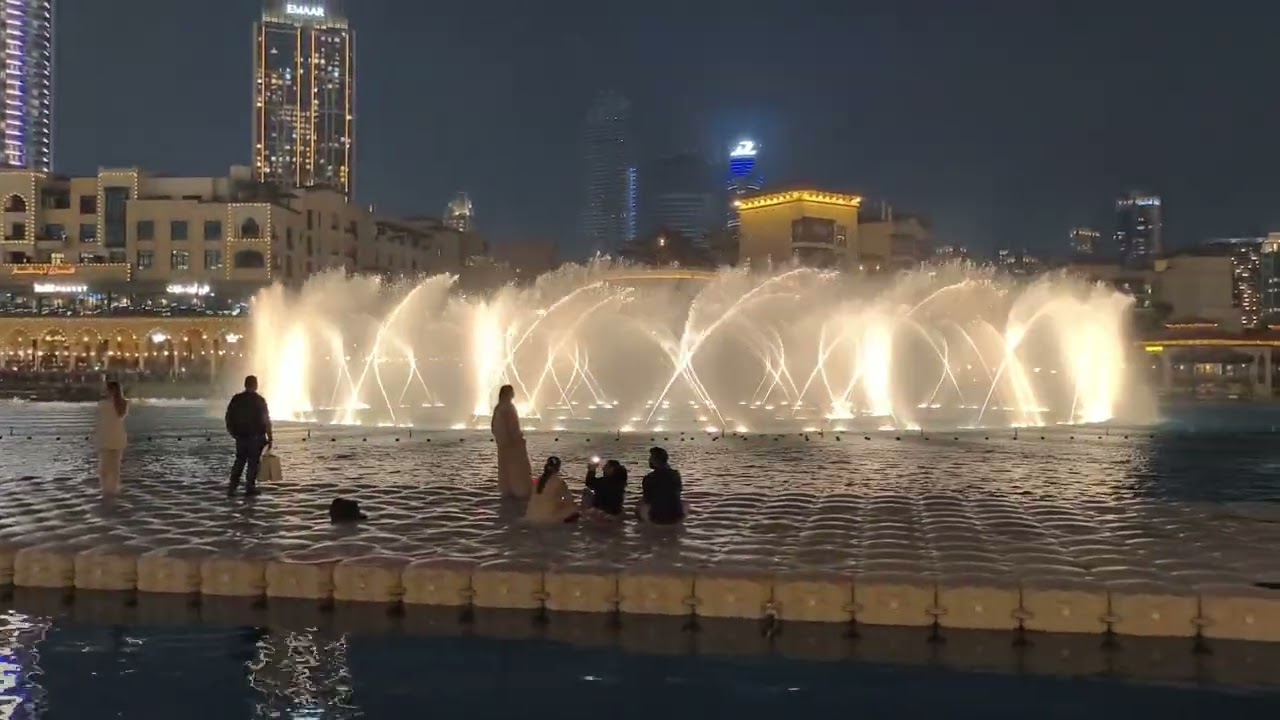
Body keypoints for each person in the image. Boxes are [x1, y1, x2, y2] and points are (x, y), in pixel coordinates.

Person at [224, 375, 273, 498]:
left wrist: (233, 433)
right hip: (256, 437)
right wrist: (270, 437)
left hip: (241, 437)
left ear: (245, 385)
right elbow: (266, 420)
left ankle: (232, 487)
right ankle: (249, 488)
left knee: (239, 462)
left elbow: (229, 417)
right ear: (255, 385)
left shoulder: (237, 399)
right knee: (253, 463)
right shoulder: (259, 400)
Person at [490, 384, 532, 500]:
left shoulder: (498, 408)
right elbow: (513, 427)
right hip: (513, 445)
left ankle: (506, 490)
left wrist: (501, 440)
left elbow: (493, 427)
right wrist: (518, 440)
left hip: (502, 445)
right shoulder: (509, 408)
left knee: (505, 469)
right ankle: (520, 491)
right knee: (517, 469)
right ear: (509, 394)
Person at [93, 380, 129, 495]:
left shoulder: (102, 404)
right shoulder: (123, 403)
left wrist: (95, 436)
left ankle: (106, 490)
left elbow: (99, 422)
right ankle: (113, 489)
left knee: (104, 467)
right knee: (115, 467)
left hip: (105, 436)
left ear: (110, 390)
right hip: (118, 436)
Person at [636, 446, 685, 525]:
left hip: (658, 518)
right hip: (677, 516)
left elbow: (647, 500)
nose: (649, 460)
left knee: (640, 505)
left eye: (650, 458)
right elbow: (678, 491)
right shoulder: (676, 474)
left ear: (655, 460)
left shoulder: (649, 478)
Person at [525, 456, 579, 525]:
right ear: (558, 468)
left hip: (530, 517)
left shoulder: (537, 480)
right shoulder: (559, 481)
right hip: (546, 519)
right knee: (574, 509)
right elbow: (569, 500)